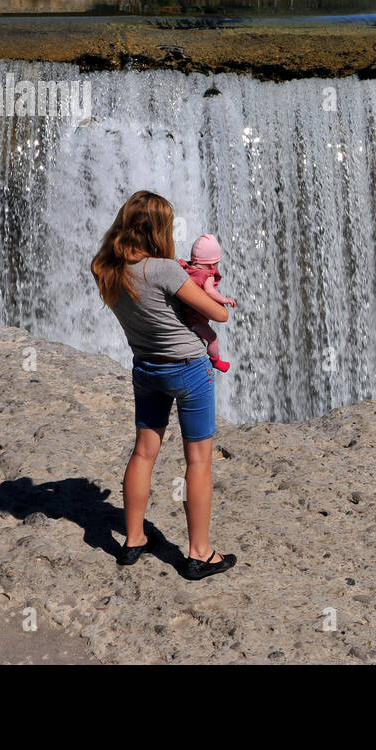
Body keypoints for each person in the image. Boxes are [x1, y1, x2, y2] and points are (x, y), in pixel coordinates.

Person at [89, 191, 236, 580]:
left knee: (143, 454)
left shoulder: (105, 268)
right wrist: (208, 285)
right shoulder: (166, 269)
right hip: (188, 369)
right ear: (156, 229)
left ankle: (133, 539)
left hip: (147, 369)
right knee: (199, 461)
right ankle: (199, 553)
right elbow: (218, 314)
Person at [178, 233, 237, 372]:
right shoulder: (207, 275)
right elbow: (210, 291)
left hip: (182, 315)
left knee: (202, 337)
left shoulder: (186, 269)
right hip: (195, 320)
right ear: (212, 264)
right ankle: (216, 361)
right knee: (213, 338)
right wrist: (224, 299)